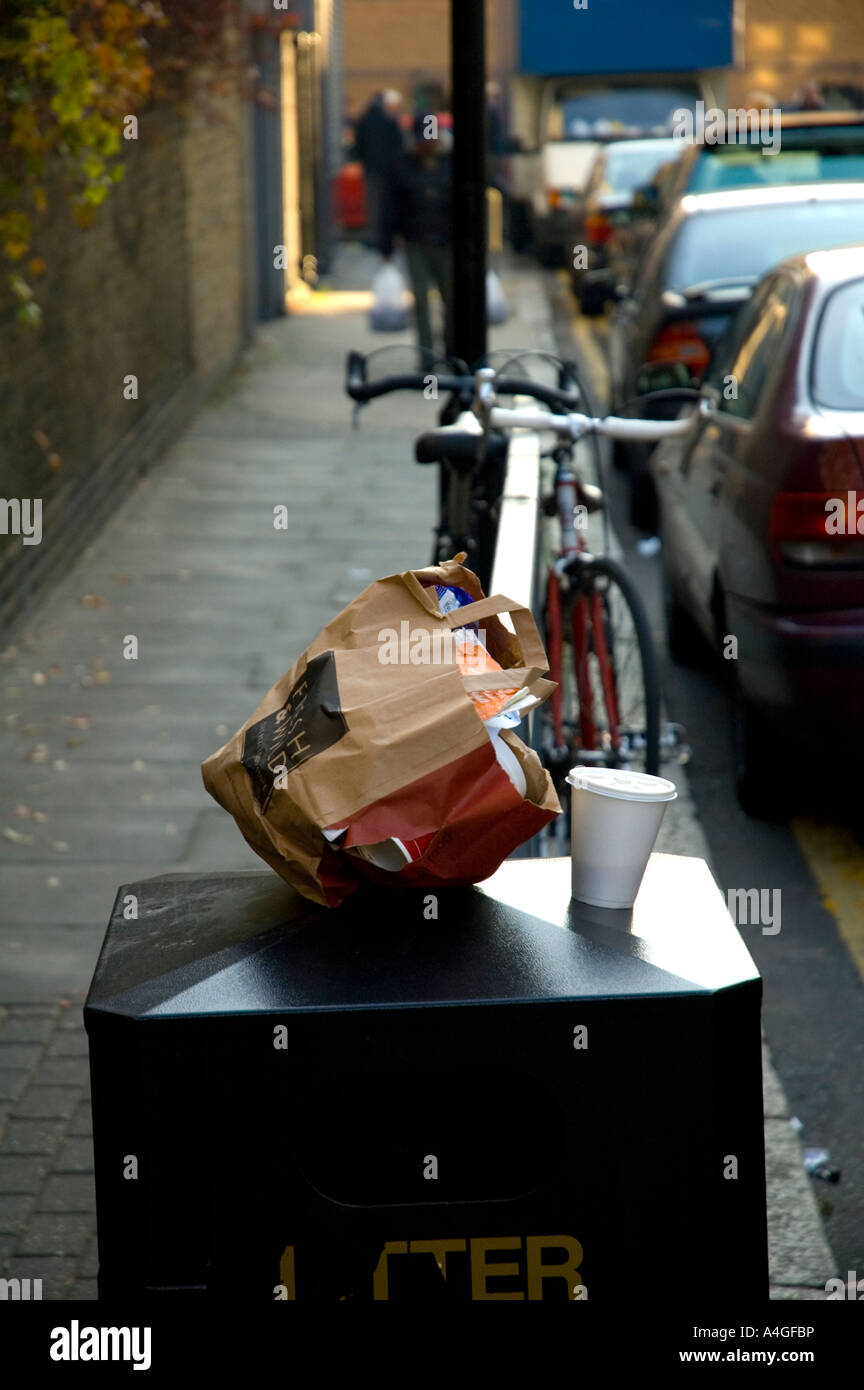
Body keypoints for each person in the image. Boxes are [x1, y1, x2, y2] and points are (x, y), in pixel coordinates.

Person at [381, 113, 454, 366]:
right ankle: (426, 356)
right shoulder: (403, 163)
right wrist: (386, 243)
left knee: (451, 300)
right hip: (416, 240)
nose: (428, 145)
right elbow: (390, 205)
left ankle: (452, 352)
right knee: (421, 302)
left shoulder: (450, 163)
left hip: (446, 241)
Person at [353, 90, 403, 252]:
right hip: (389, 170)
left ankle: (374, 237)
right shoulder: (389, 121)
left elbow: (359, 144)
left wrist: (362, 160)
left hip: (372, 168)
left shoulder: (366, 120)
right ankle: (388, 237)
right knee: (388, 204)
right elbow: (398, 144)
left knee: (373, 204)